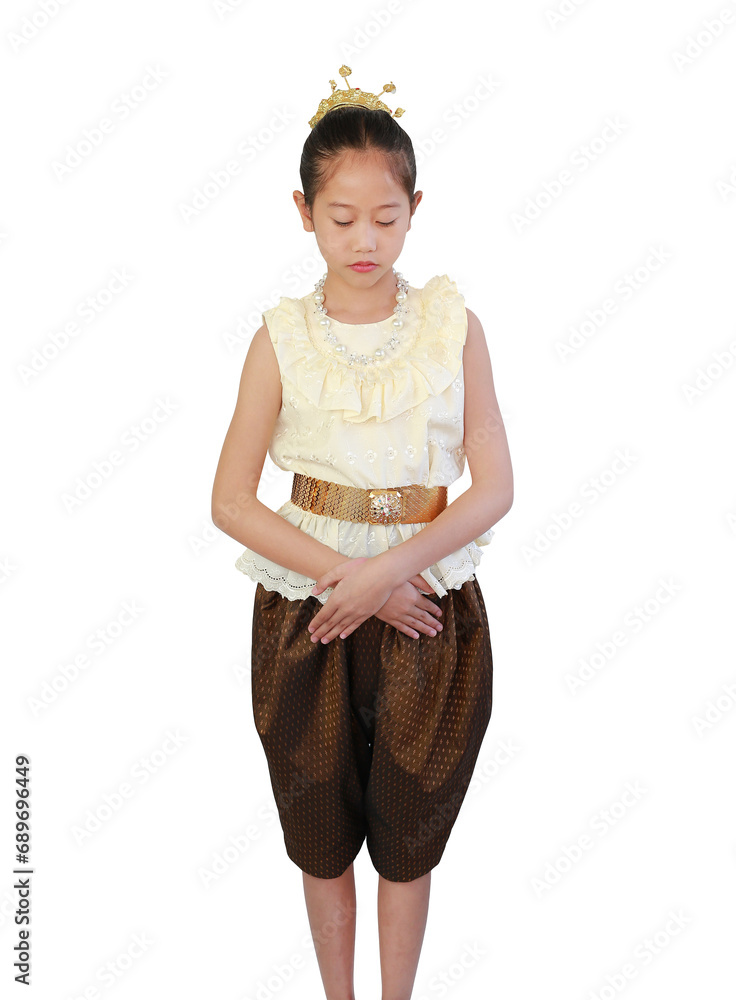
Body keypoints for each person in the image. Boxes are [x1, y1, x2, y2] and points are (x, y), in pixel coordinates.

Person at [211, 65, 513, 1000]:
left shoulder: (454, 327)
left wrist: (389, 575)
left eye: (385, 217)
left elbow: (494, 483)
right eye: (341, 219)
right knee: (319, 822)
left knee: (409, 830)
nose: (365, 239)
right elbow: (231, 498)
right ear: (303, 212)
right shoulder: (281, 338)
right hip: (311, 609)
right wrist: (347, 577)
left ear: (416, 207)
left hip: (428, 606)